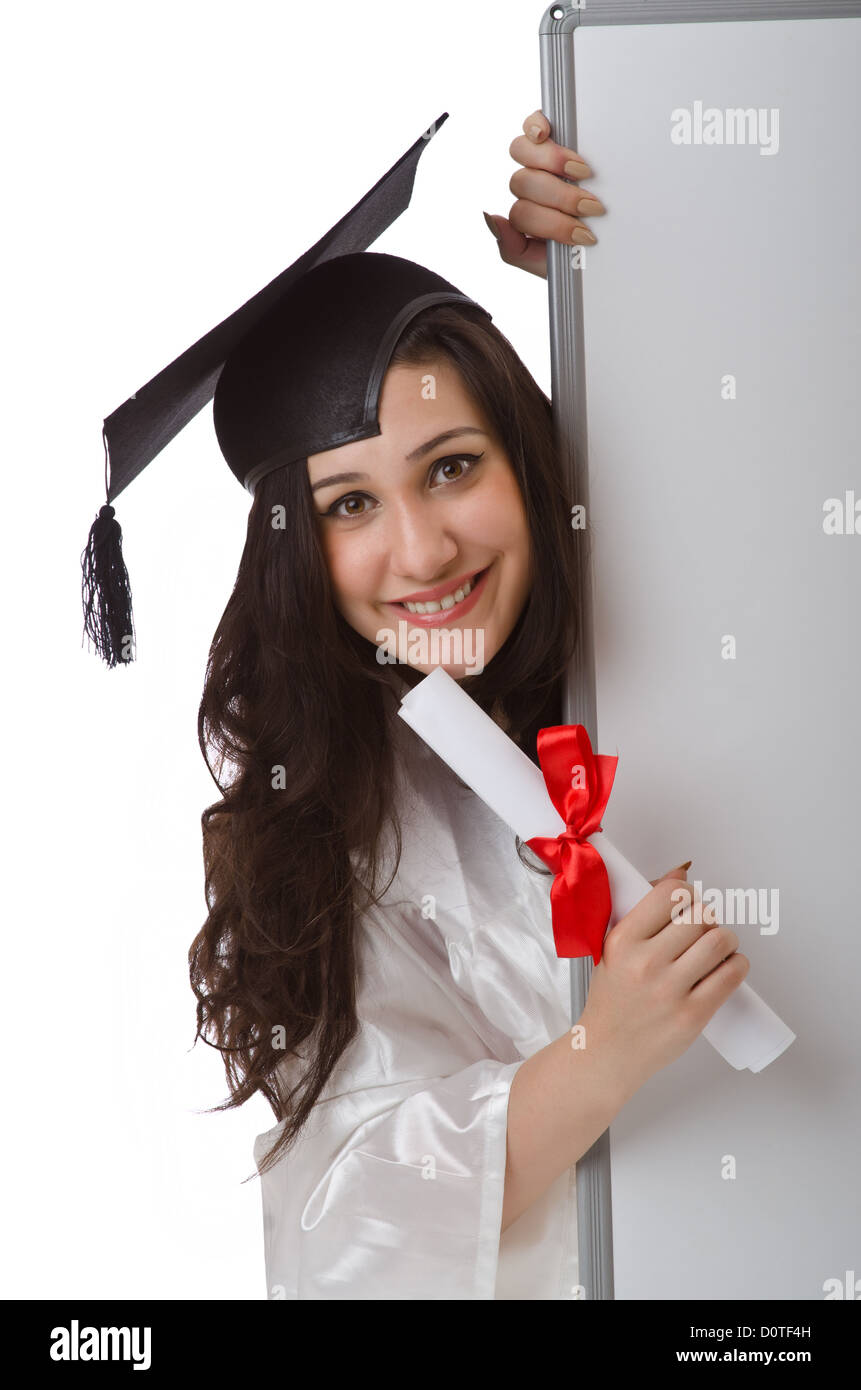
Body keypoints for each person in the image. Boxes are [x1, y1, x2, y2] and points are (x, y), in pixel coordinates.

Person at [183, 109, 750, 1301]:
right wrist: (604, 1052)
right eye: (349, 504)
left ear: (527, 460)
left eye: (452, 466)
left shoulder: (693, 636)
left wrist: (635, 265)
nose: (422, 548)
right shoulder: (327, 831)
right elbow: (340, 1235)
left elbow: (777, 418)